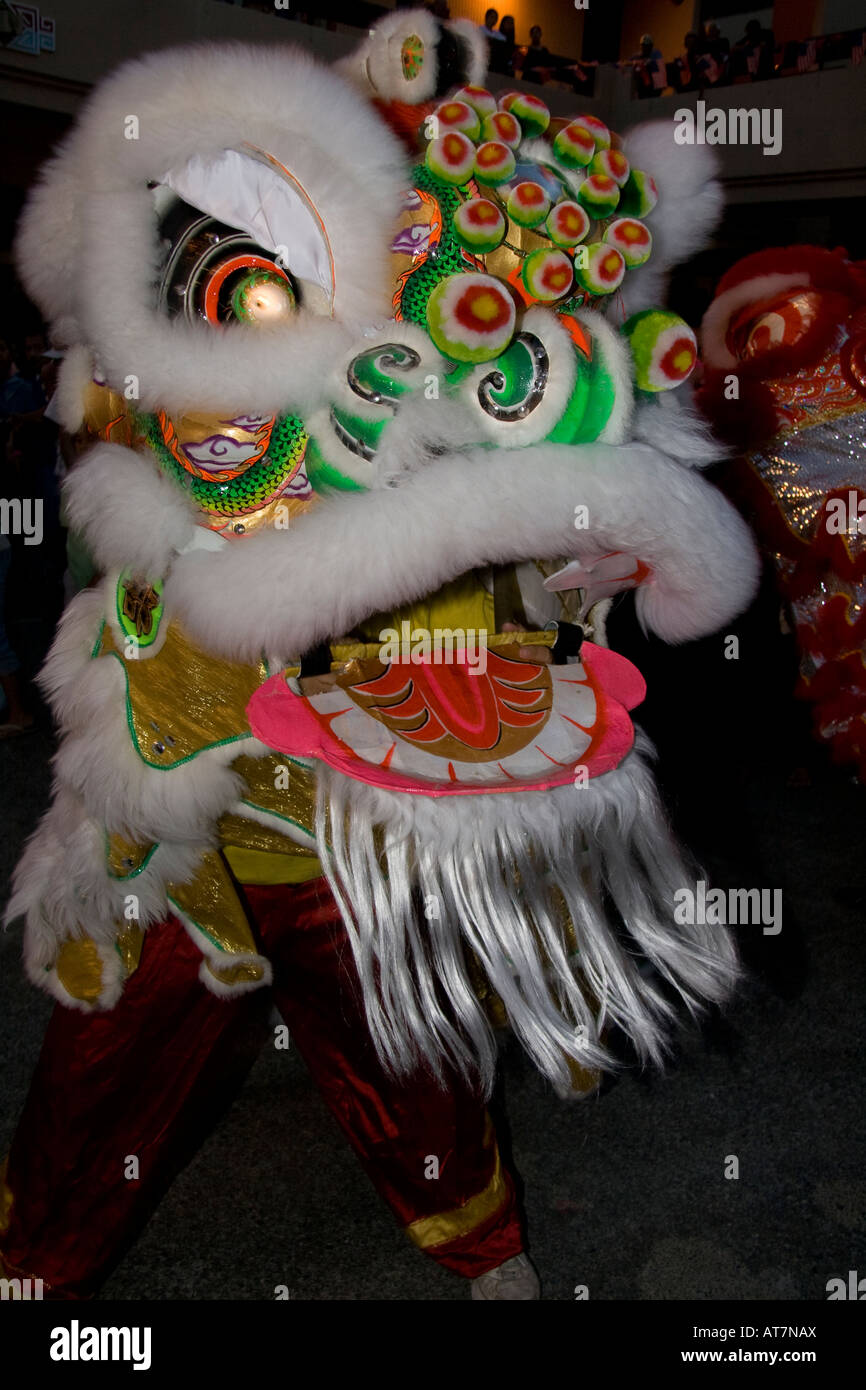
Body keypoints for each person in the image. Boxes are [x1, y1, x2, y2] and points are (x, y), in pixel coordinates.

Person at [631, 32, 664, 97]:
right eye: (643, 45)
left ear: (651, 46)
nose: (645, 48)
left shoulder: (656, 54)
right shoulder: (637, 57)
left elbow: (660, 70)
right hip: (641, 89)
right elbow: (629, 63)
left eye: (647, 45)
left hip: (654, 88)